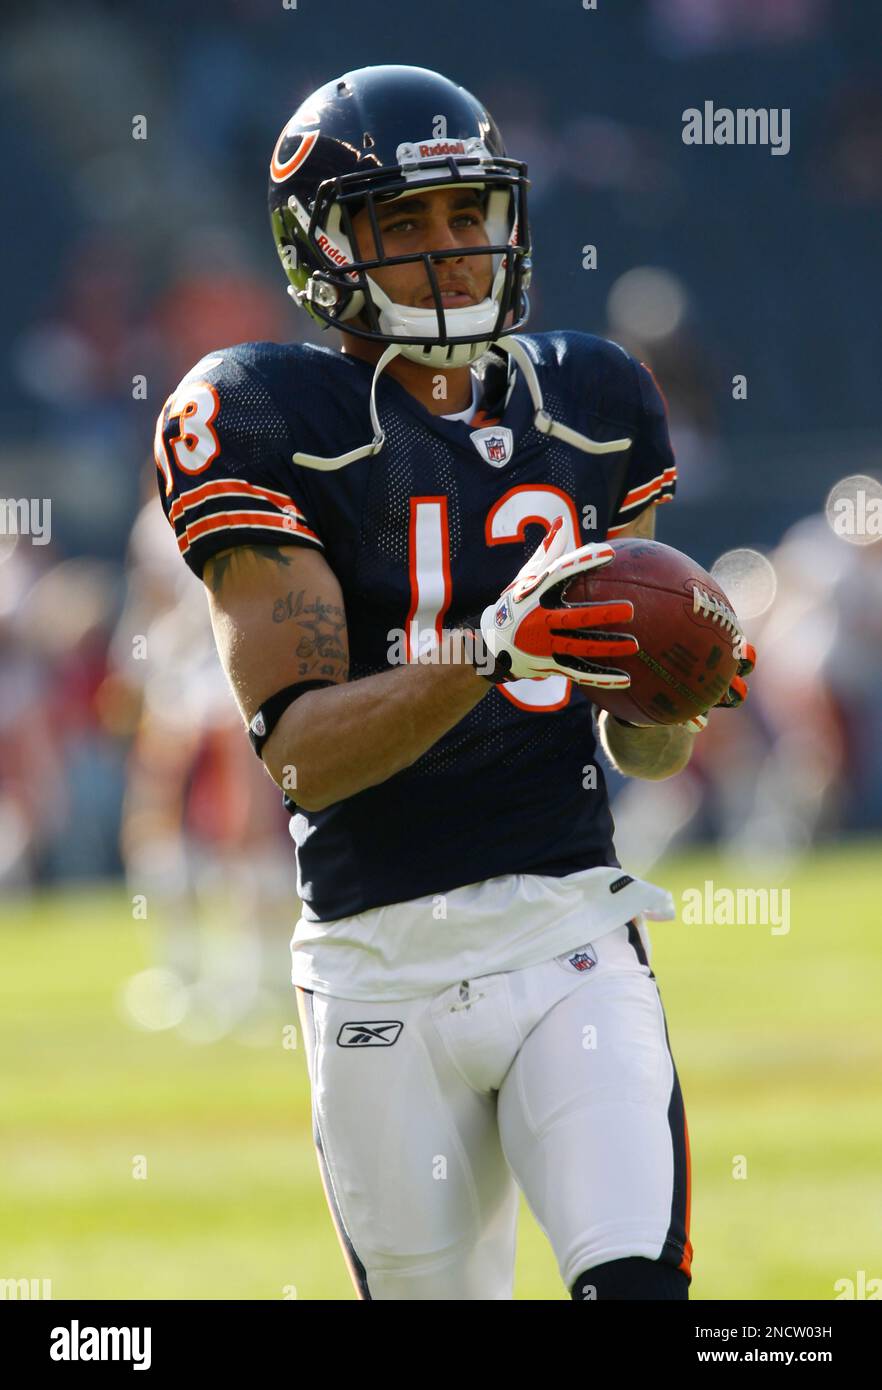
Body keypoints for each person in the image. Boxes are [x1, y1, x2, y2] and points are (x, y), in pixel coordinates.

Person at [153, 64, 754, 1300]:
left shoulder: (594, 399)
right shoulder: (261, 409)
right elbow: (305, 750)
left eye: (467, 214)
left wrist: (669, 696)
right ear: (325, 246)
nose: (451, 252)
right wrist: (491, 647)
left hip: (571, 931)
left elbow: (642, 752)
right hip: (381, 964)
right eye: (404, 223)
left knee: (637, 1290)